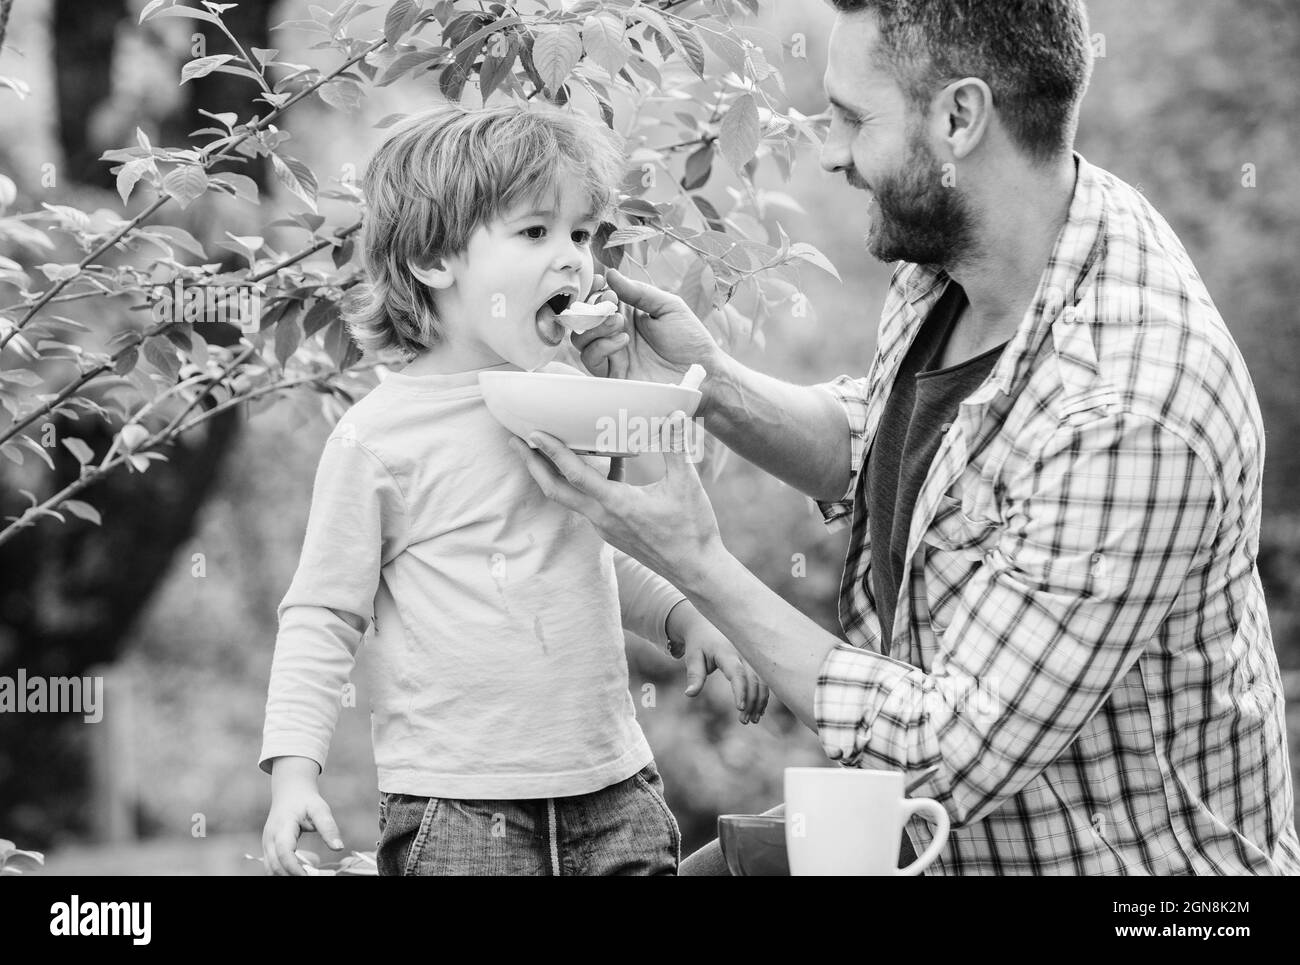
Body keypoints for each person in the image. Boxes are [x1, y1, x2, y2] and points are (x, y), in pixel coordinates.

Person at [514, 0, 1300, 874]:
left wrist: (695, 558)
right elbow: (889, 441)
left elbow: (946, 752)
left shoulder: (1134, 406)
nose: (830, 151)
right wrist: (711, 390)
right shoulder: (974, 253)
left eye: (853, 118)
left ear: (959, 118)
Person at [257, 103, 768, 877]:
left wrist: (683, 614)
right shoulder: (379, 438)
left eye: (582, 234)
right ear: (434, 258)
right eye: (535, 232)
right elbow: (322, 616)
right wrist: (295, 771)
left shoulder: (567, 398)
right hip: (458, 807)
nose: (573, 260)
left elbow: (595, 546)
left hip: (614, 789)